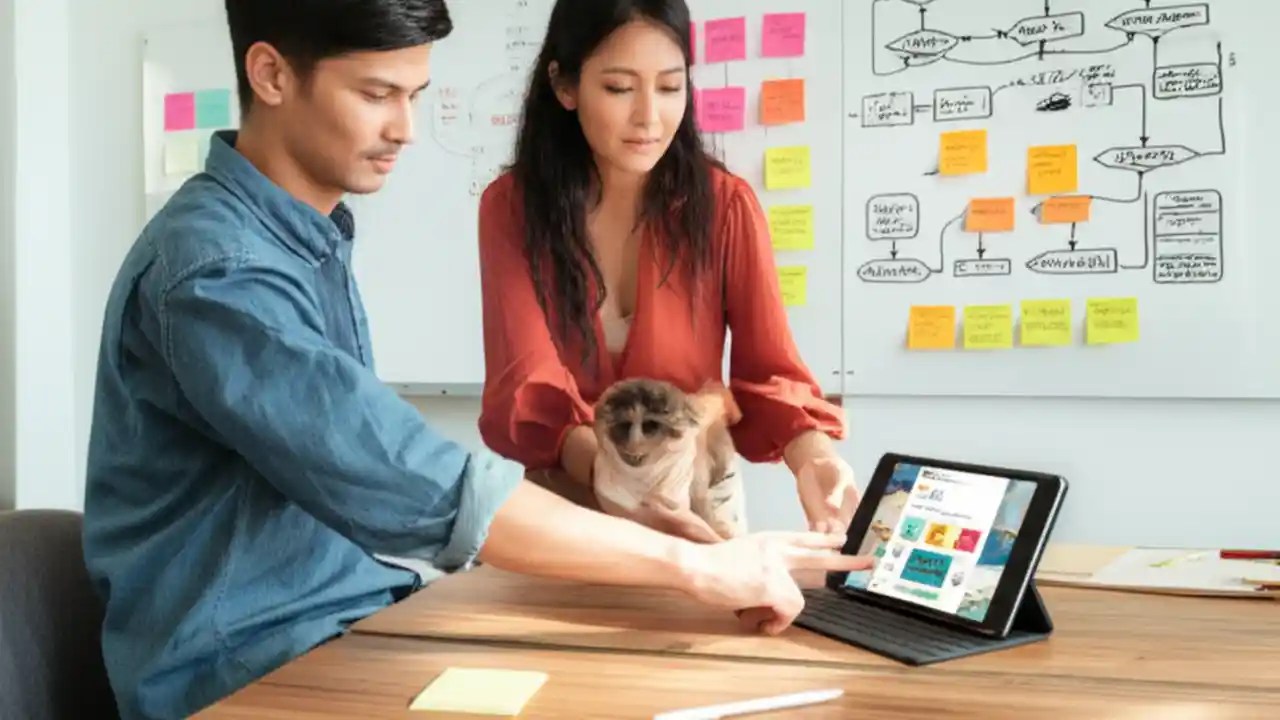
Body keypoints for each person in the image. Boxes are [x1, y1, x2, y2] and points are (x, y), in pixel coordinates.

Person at [81, 2, 869, 719]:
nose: (406, 129)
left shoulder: (301, 239)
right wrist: (693, 564)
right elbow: (407, 478)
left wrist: (787, 475)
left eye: (415, 97)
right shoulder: (221, 272)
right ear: (271, 74)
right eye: (377, 94)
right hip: (242, 665)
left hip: (353, 619)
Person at [477, 0, 859, 535]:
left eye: (670, 87)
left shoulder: (725, 205)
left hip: (697, 499)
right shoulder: (512, 208)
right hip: (567, 508)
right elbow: (525, 386)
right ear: (565, 87)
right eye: (619, 88)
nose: (649, 118)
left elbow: (769, 373)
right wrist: (613, 480)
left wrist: (815, 457)